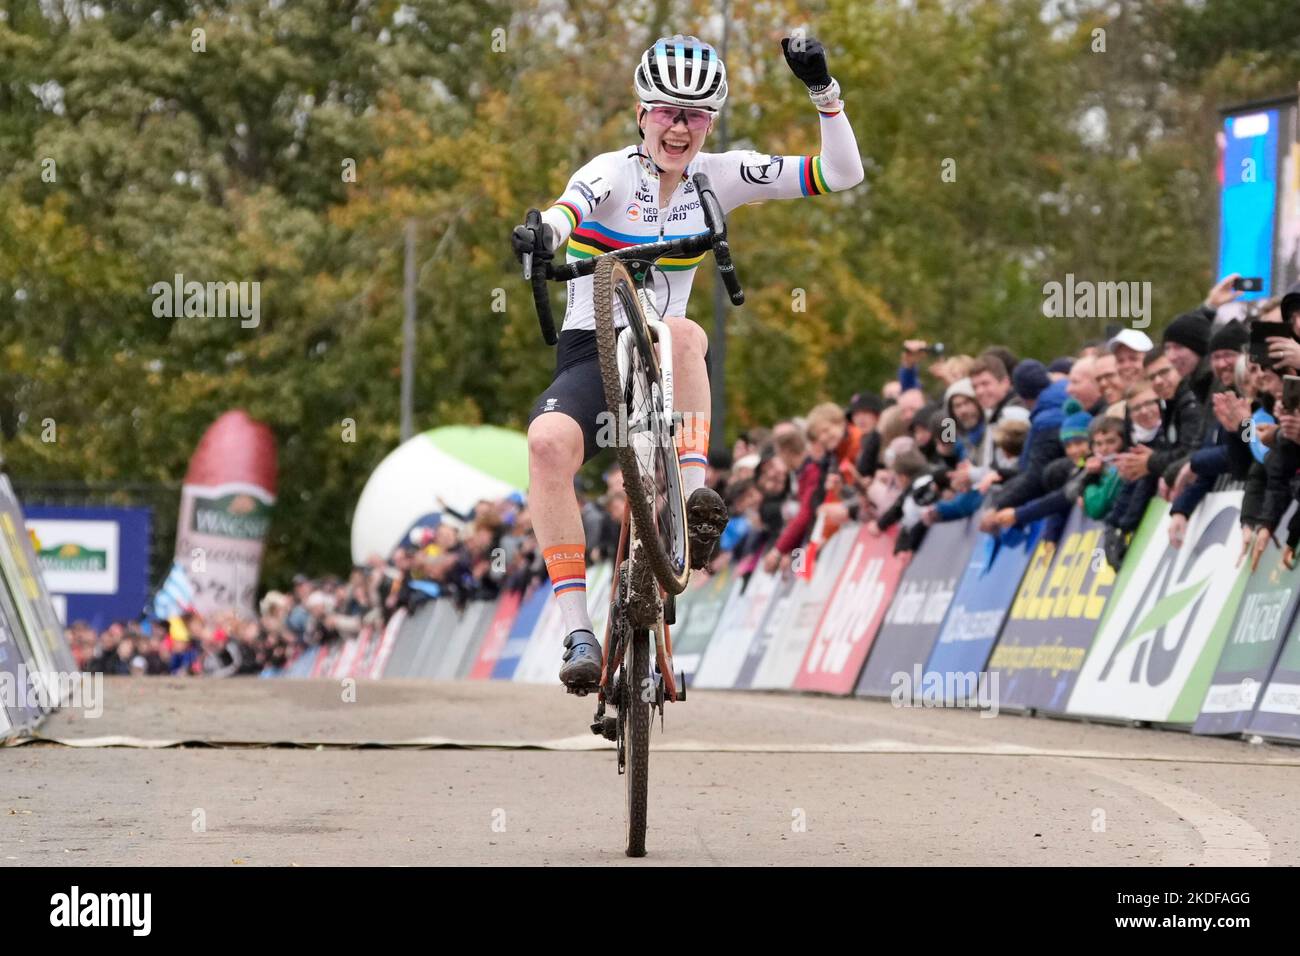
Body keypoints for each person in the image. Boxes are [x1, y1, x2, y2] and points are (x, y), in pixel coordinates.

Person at [512, 33, 865, 688]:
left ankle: (691, 498)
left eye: (696, 114)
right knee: (546, 446)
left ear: (711, 122)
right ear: (643, 113)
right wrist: (544, 235)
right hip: (594, 351)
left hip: (668, 356)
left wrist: (824, 93)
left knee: (680, 329)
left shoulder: (721, 175)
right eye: (668, 111)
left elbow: (841, 173)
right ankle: (578, 632)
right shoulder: (611, 172)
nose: (680, 127)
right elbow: (568, 210)